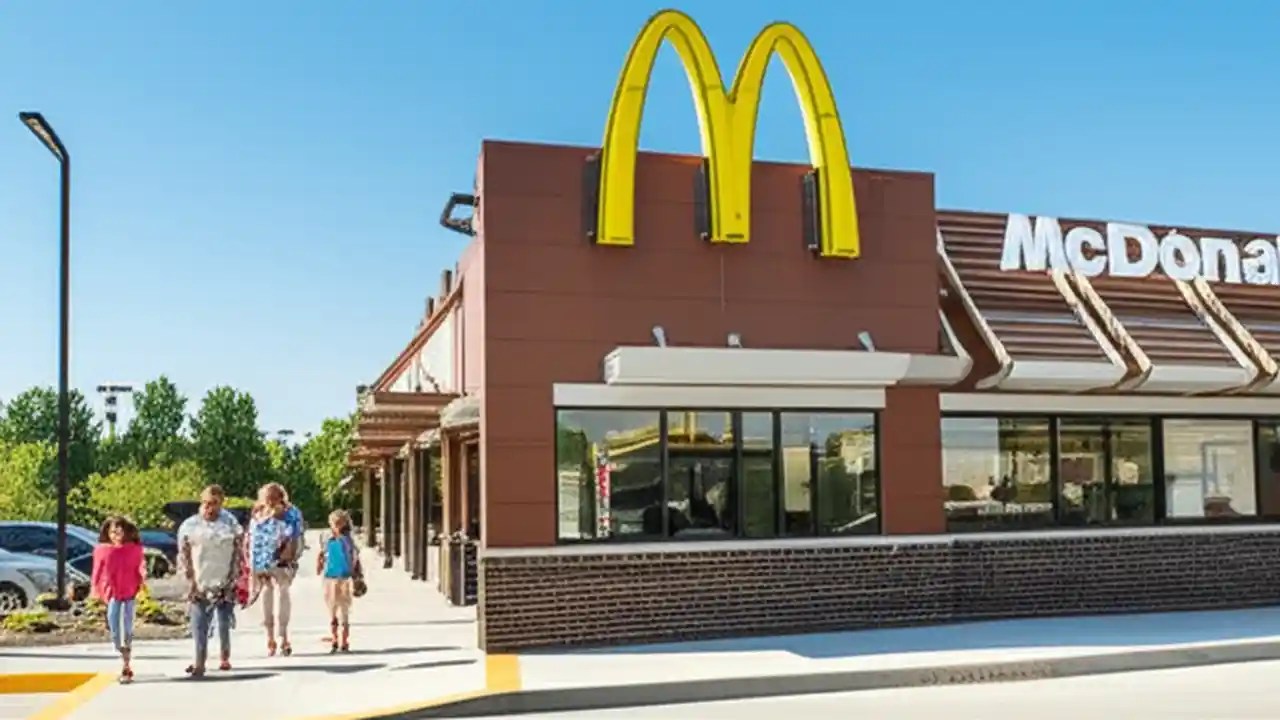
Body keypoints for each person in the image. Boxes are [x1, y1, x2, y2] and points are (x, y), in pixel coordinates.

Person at [177, 484, 243, 677]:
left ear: (221, 503)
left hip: (223, 580)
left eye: (214, 503)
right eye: (205, 503)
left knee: (223, 622)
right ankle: (199, 662)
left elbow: (238, 552)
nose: (209, 508)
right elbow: (184, 554)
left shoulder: (230, 523)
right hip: (199, 580)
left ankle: (224, 654)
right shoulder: (190, 526)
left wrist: (234, 578)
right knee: (199, 624)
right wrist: (189, 581)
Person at [248, 482, 304, 656]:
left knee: (283, 591)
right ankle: (270, 635)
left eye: (273, 498)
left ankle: (283, 635)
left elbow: (296, 535)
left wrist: (291, 556)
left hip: (283, 559)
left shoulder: (291, 513)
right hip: (263, 561)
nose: (270, 502)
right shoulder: (258, 513)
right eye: (267, 498)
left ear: (281, 497)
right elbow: (253, 538)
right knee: (267, 592)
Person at [91, 515, 146, 684]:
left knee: (127, 629)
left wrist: (143, 582)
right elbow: (97, 571)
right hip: (112, 594)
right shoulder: (102, 550)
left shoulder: (134, 550)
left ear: (126, 532)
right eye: (112, 532)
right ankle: (120, 651)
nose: (115, 535)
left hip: (129, 593)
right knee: (114, 627)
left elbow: (140, 567)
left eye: (119, 531)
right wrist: (94, 589)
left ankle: (126, 664)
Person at [315, 509, 362, 653]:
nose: (336, 526)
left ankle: (344, 639)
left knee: (344, 609)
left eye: (339, 523)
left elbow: (355, 558)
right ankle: (335, 637)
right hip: (330, 577)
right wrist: (319, 564)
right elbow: (322, 554)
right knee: (332, 609)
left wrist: (357, 575)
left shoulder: (348, 540)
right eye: (334, 523)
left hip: (345, 577)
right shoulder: (326, 538)